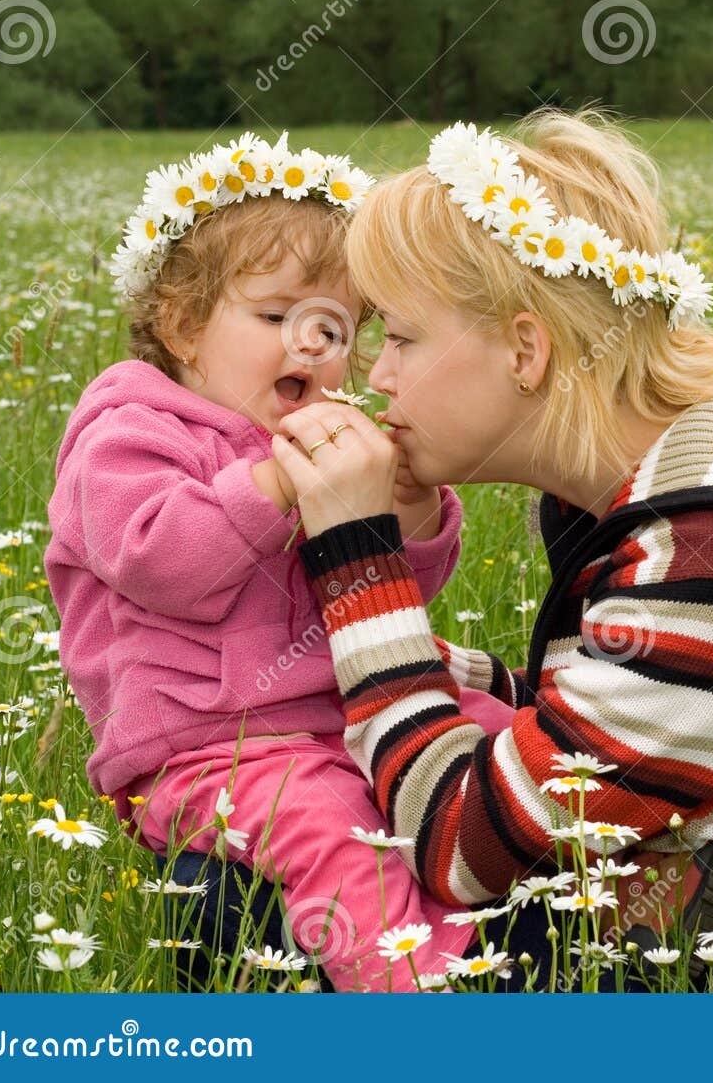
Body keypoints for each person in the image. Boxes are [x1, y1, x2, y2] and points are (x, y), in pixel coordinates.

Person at [269, 109, 713, 990]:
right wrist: (443, 672)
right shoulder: (691, 473)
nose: (375, 376)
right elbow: (601, 735)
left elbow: (457, 845)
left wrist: (358, 558)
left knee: (246, 909)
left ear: (526, 349)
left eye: (403, 336)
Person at [45, 133, 508, 992]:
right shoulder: (127, 430)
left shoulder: (304, 439)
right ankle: (423, 995)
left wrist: (401, 504)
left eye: (332, 327)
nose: (311, 346)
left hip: (339, 713)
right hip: (209, 750)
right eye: (275, 318)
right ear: (183, 325)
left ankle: (613, 898)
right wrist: (272, 485)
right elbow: (158, 559)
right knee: (331, 833)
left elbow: (387, 597)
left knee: (498, 737)